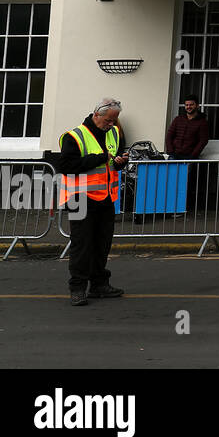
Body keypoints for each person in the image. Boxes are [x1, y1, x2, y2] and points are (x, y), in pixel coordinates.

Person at [57, 98, 130, 306]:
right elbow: (66, 165)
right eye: (108, 120)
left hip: (106, 197)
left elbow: (112, 163)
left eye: (114, 121)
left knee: (102, 244)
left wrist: (120, 162)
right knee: (82, 245)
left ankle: (99, 284)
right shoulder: (74, 136)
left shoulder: (114, 132)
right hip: (80, 198)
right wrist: (99, 158)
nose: (111, 124)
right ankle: (77, 288)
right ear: (96, 114)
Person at [164, 94, 210, 159]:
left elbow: (203, 141)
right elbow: (169, 136)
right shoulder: (178, 119)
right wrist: (170, 151)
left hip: (190, 157)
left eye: (191, 105)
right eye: (186, 105)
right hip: (174, 155)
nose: (188, 107)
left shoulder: (202, 122)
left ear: (197, 106)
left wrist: (193, 155)